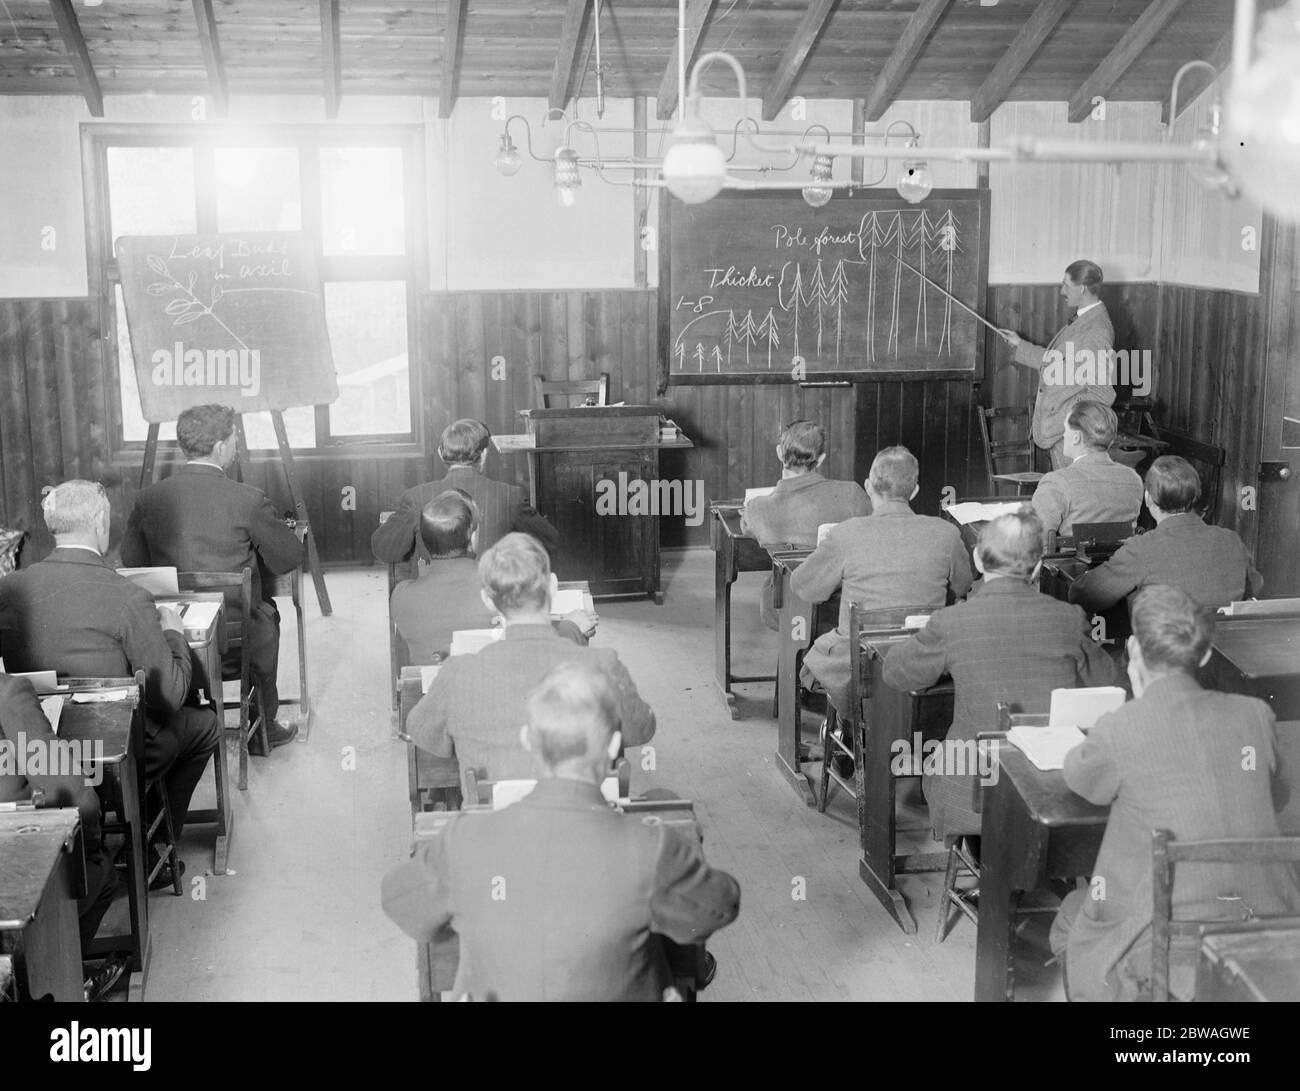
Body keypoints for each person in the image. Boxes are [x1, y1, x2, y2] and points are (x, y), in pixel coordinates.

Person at [383, 661, 740, 1001]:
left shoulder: (464, 839)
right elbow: (720, 906)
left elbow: (399, 901)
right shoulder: (652, 848)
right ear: (614, 746)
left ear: (528, 740)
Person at [1051, 585, 1300, 1001]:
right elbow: (1276, 797)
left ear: (1134, 650)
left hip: (1162, 942)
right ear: (1204, 655)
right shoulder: (1255, 714)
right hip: (1261, 924)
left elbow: (1080, 778)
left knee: (1072, 916)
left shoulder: (1122, 725)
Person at [0, 481, 221, 890]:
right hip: (116, 758)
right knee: (203, 726)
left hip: (36, 755)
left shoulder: (9, 588)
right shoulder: (127, 596)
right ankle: (150, 844)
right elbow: (169, 693)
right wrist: (173, 633)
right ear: (101, 521)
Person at [882, 509, 1117, 840]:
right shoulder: (1067, 618)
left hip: (973, 789)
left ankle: (981, 861)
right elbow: (1107, 679)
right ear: (1036, 567)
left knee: (938, 758)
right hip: (1050, 785)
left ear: (978, 559)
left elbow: (896, 674)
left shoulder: (952, 622)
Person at [407, 533, 654, 795]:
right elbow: (641, 729)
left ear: (488, 601)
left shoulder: (457, 674)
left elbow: (422, 733)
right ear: (554, 586)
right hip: (582, 823)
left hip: (493, 828)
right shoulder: (603, 663)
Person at [121, 404, 303, 751]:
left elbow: (133, 564)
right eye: (234, 439)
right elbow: (289, 558)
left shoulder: (148, 499)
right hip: (235, 643)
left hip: (174, 638)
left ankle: (185, 725)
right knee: (267, 615)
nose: (235, 446)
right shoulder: (247, 498)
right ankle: (263, 728)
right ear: (220, 447)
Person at [791, 446, 971, 714]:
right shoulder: (946, 533)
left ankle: (846, 729)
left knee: (818, 657)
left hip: (856, 668)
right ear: (914, 491)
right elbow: (963, 586)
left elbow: (803, 587)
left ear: (868, 485)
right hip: (924, 660)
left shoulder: (845, 534)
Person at [0, 673, 125, 1000]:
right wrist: (93, 846)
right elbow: (74, 795)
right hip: (12, 909)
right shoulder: (8, 693)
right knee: (99, 873)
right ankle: (65, 985)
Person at [391, 491, 593, 663]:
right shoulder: (504, 587)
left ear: (424, 539)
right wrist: (572, 628)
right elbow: (537, 656)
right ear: (473, 537)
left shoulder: (401, 596)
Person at [1070, 455, 1263, 613]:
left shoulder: (1141, 548)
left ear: (1148, 498)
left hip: (1164, 655)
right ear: (1195, 496)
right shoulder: (1231, 539)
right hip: (1220, 653)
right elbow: (1255, 585)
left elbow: (1084, 595)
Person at [371, 418, 558, 566]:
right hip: (494, 599)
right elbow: (549, 542)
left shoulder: (415, 497)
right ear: (484, 454)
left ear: (440, 453)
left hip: (434, 599)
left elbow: (384, 550)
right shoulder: (511, 495)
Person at [741, 419, 870, 629]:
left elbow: (746, 529)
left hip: (785, 607)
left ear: (779, 453)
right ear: (821, 459)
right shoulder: (852, 494)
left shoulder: (757, 509)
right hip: (846, 604)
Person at [999, 260, 1116, 470]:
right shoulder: (1084, 320)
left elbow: (1102, 393)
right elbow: (1059, 363)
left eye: (1066, 285)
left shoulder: (1096, 331)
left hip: (1071, 435)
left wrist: (1068, 420)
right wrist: (1020, 345)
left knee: (1072, 497)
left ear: (1081, 289)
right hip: (1062, 433)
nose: (1062, 291)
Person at [1030, 400, 1143, 538]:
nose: (1064, 435)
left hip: (1071, 560)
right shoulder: (1134, 480)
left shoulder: (1057, 482)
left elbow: (1035, 542)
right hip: (1123, 559)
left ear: (1076, 437)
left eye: (1065, 430)